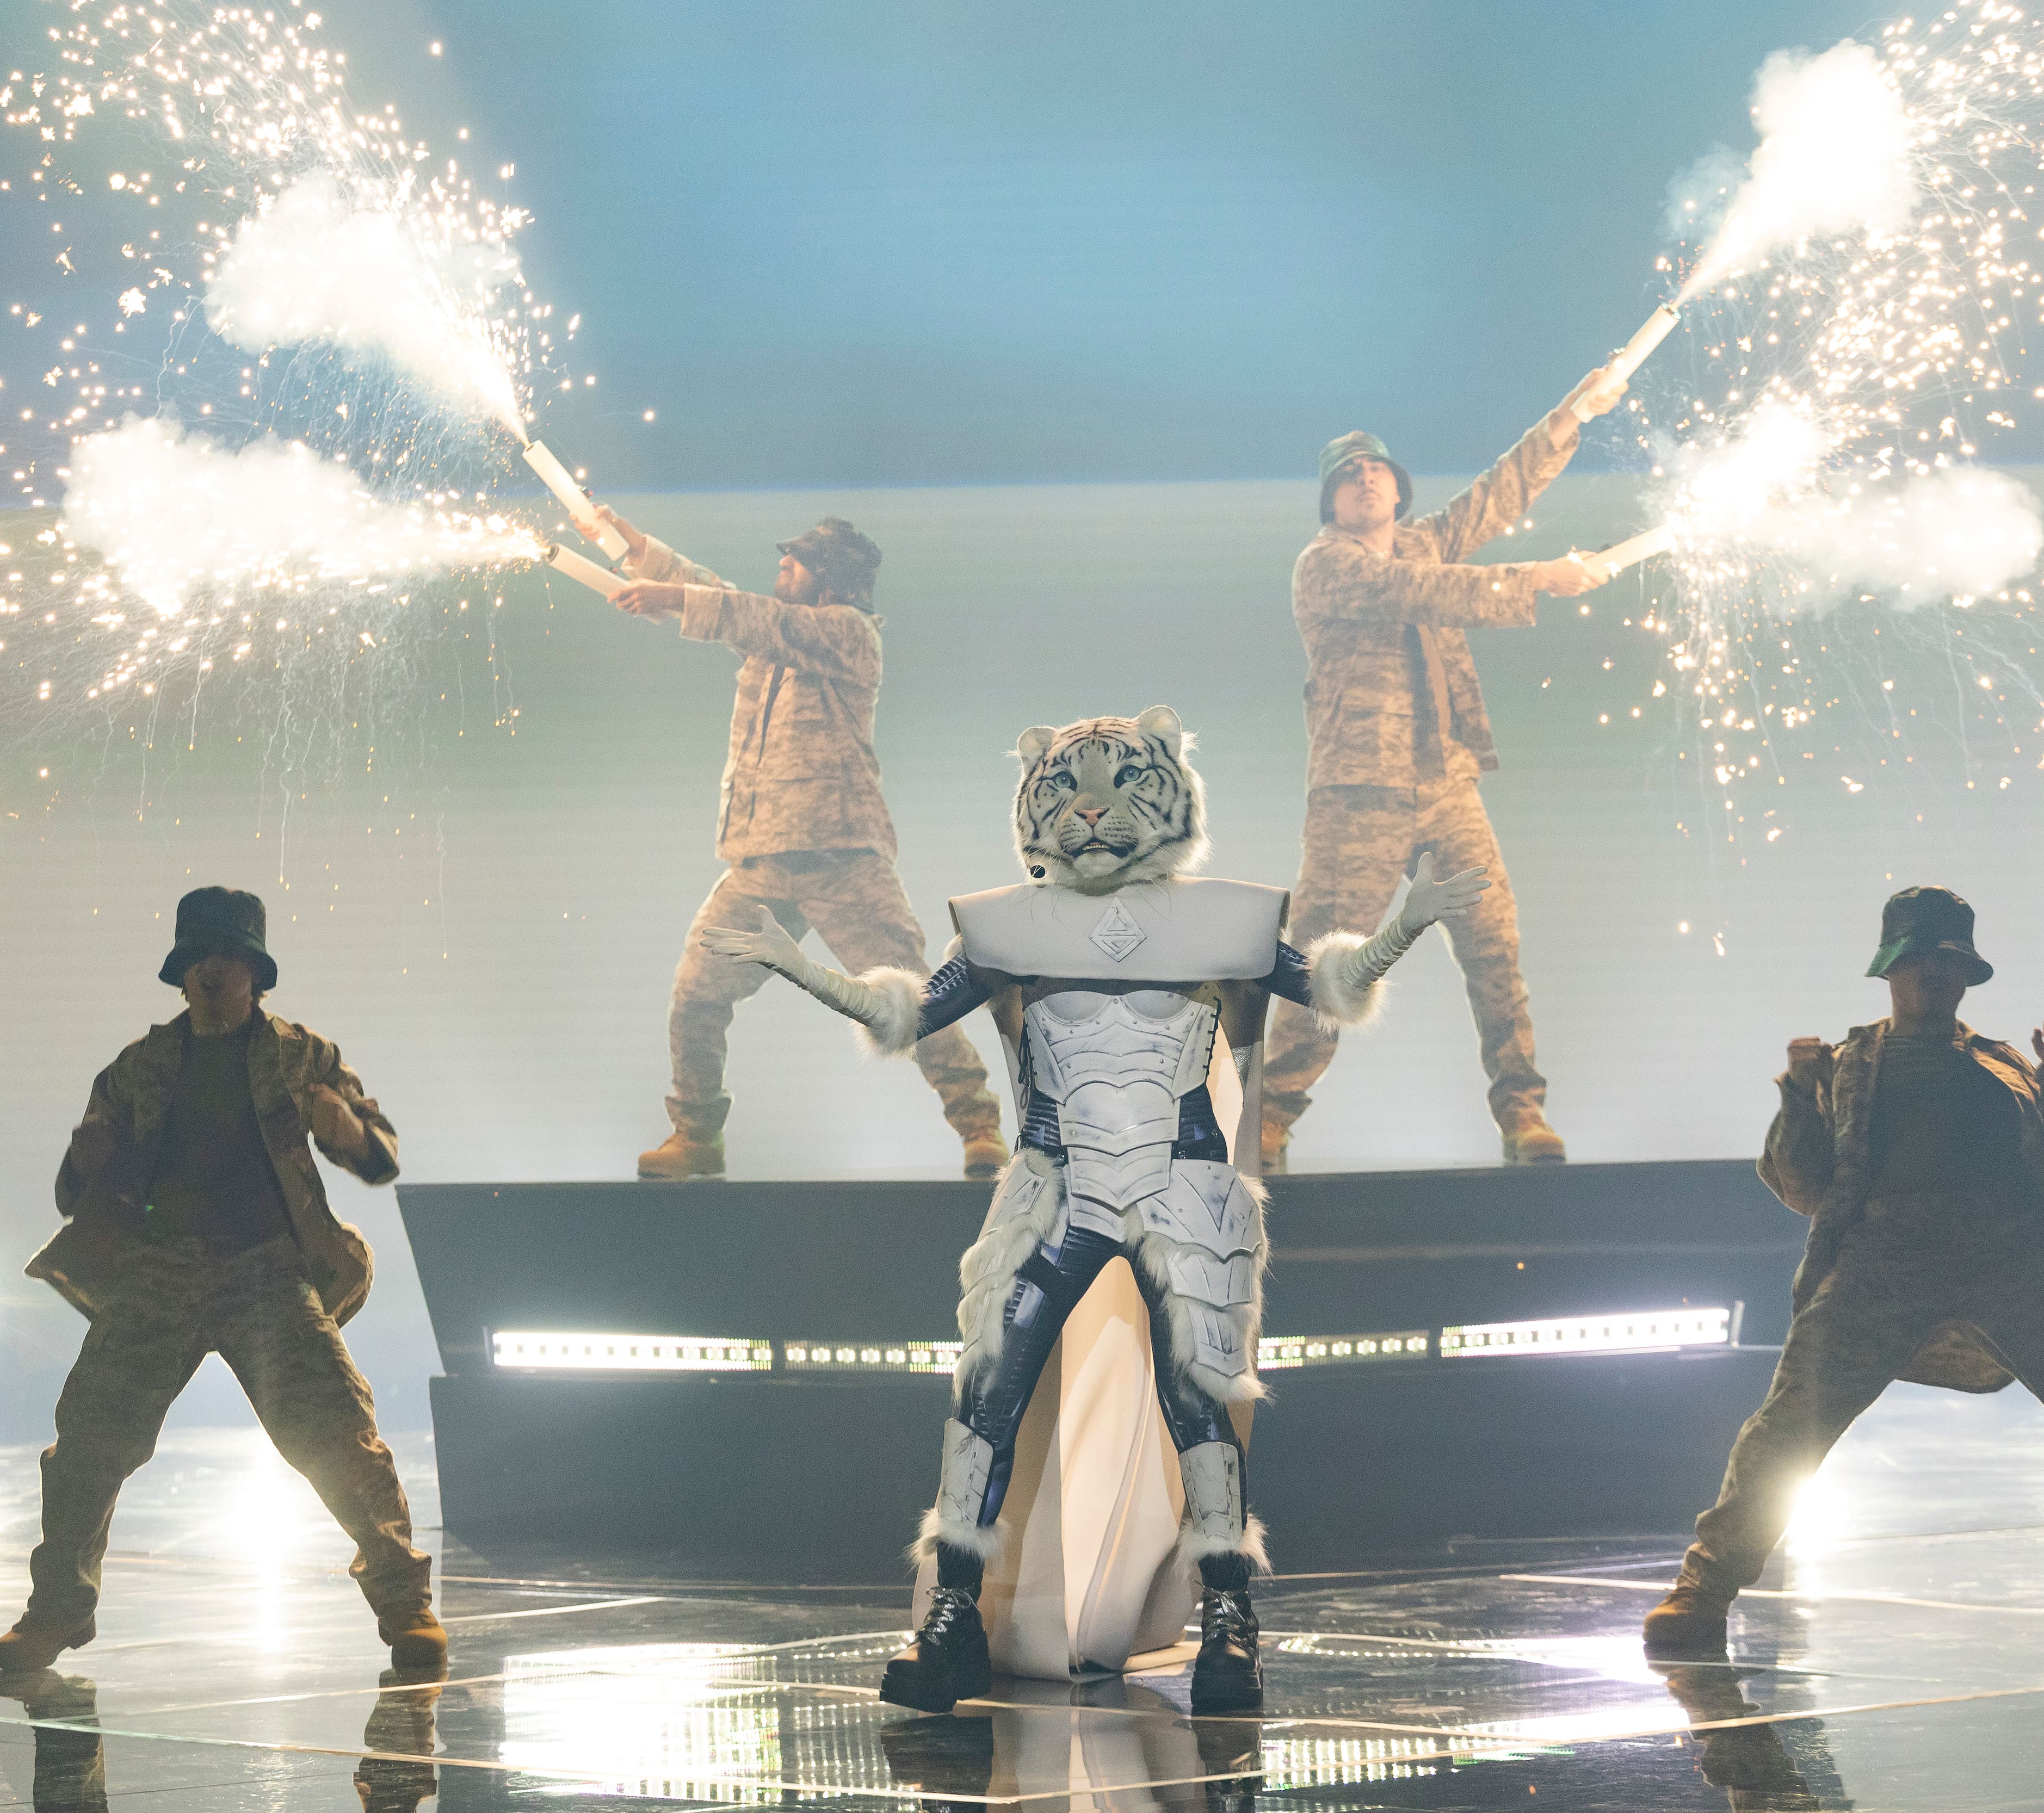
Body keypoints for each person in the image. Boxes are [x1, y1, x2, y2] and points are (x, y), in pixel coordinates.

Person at [702, 707, 1486, 1716]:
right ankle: (950, 1621)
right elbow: (906, 1010)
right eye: (1069, 788)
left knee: (1198, 1398)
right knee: (986, 1388)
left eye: (1122, 784)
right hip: (1056, 1189)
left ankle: (1230, 1624)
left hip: (1185, 1183)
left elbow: (1322, 984)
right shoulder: (1008, 927)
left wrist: (1408, 923)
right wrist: (793, 961)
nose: (1093, 810)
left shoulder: (1220, 920)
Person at [1641, 886, 2044, 1655]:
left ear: (1965, 975)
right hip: (1883, 1260)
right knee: (1790, 1425)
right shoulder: (1844, 1067)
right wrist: (1799, 1097)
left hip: (2011, 1256)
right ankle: (1705, 1587)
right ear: (1892, 971)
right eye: (1920, 960)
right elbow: (1801, 1187)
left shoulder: (2004, 1068)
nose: (1934, 975)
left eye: (1948, 962)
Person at [0, 887, 442, 1674]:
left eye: (226, 957)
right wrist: (85, 1161)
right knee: (89, 1443)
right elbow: (75, 1191)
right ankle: (55, 1612)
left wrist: (345, 1129)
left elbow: (382, 1154)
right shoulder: (143, 1065)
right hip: (159, 1266)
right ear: (181, 971)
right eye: (199, 957)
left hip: (265, 1266)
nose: (211, 971)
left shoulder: (301, 1056)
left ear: (255, 972)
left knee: (339, 1435)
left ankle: (407, 1608)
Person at [1257, 367, 1626, 1170]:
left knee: (1496, 948)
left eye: (1375, 469)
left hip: (1445, 786)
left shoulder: (1426, 540)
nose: (1364, 480)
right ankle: (1270, 1117)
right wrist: (1540, 577)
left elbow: (1499, 495)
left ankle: (1522, 1113)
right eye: (1347, 477)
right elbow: (1418, 592)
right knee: (1328, 962)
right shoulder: (1326, 565)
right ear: (1330, 505)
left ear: (1398, 488)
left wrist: (1571, 415)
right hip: (1360, 797)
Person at [592, 506, 1006, 1181]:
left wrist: (671, 598)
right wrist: (636, 548)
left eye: (797, 560)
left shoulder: (847, 634)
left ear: (831, 579)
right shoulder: (778, 642)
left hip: (842, 860)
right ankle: (695, 1135)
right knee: (697, 995)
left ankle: (980, 1127)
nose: (783, 566)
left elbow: (749, 615)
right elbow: (731, 604)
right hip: (760, 862)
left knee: (910, 1003)